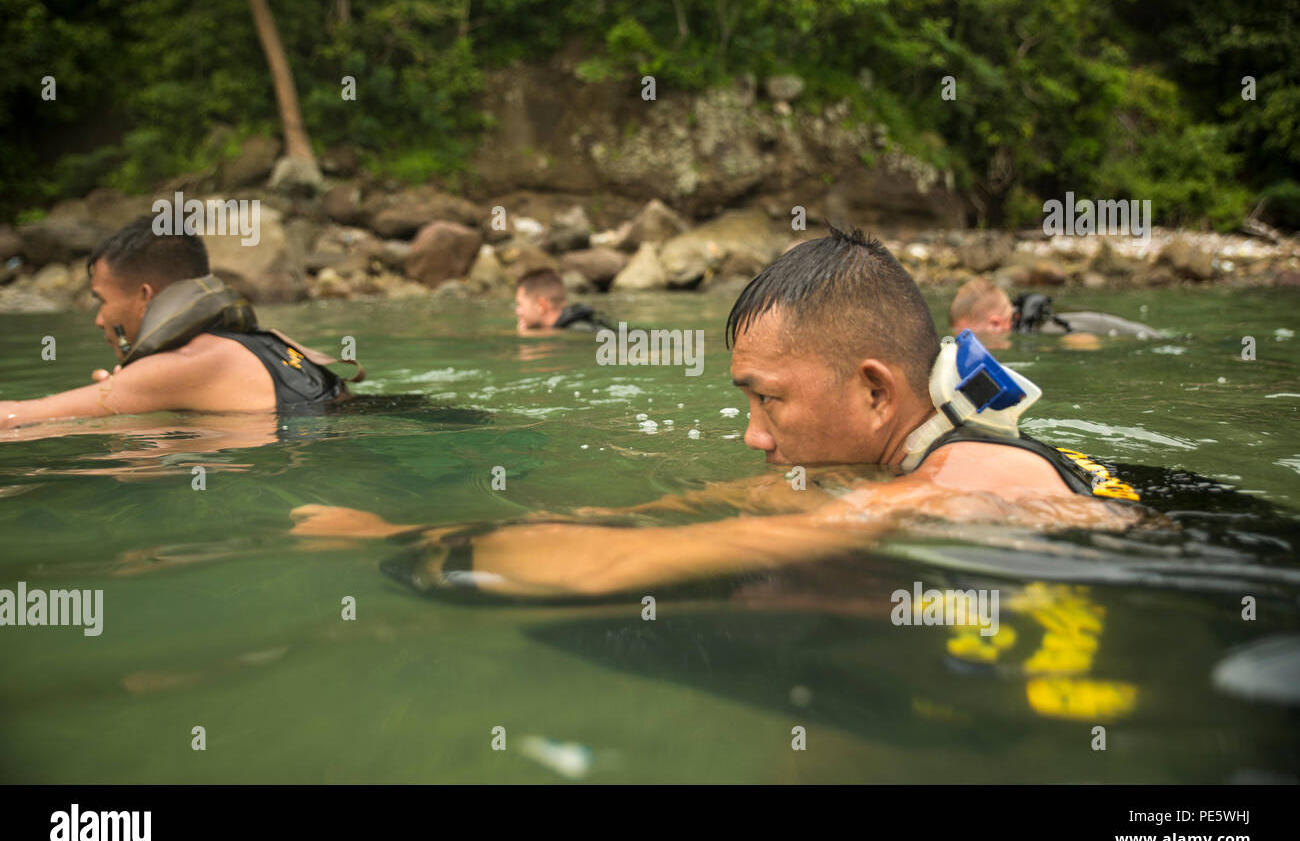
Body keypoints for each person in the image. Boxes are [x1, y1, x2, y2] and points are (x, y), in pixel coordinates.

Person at [292, 225, 1142, 596]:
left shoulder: (949, 481)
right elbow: (659, 520)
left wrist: (397, 549)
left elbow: (609, 567)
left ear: (878, 390)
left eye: (770, 400)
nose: (753, 435)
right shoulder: (899, 460)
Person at [0, 217, 359, 430]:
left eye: (102, 300)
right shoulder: (257, 344)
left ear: (144, 296)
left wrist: (131, 392)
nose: (98, 320)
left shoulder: (178, 367)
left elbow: (16, 420)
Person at [949, 277, 1162, 341]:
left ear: (996, 324)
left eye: (971, 338)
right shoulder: (1031, 314)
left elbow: (1085, 341)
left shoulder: (1045, 330)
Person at [514, 269, 610, 335]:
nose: (517, 311)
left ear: (541, 305)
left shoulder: (577, 332)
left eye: (520, 304)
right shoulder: (574, 326)